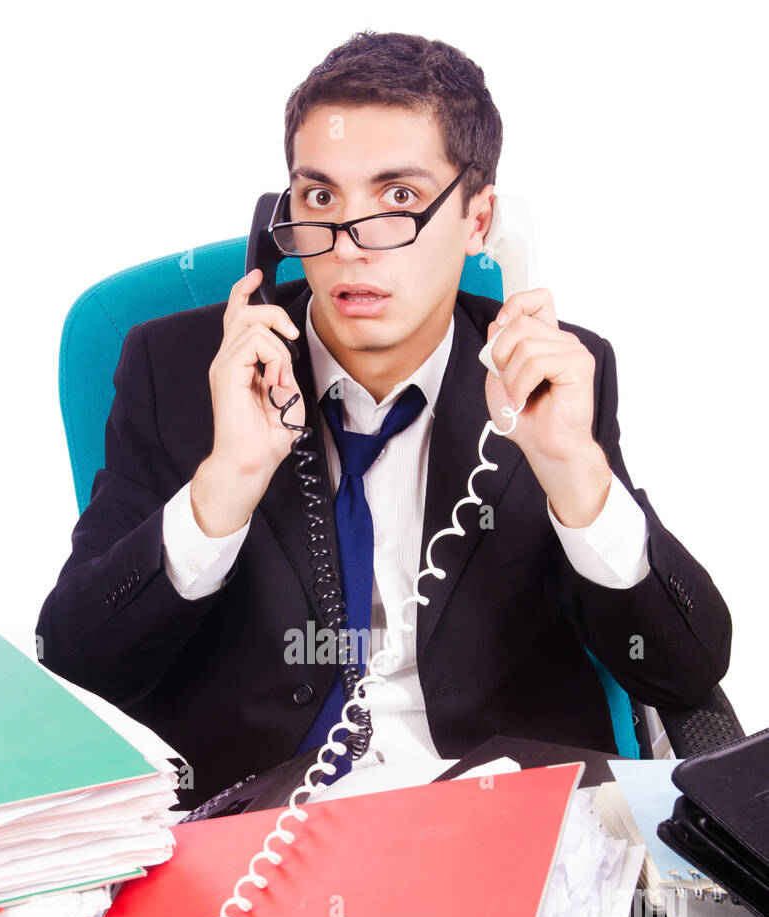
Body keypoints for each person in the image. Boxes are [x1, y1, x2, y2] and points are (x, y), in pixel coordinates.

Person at [36, 31, 732, 807]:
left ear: (477, 220)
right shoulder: (177, 370)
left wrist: (577, 476)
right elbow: (77, 668)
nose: (348, 248)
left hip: (507, 814)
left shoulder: (551, 377)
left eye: (398, 198)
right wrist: (221, 485)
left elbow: (683, 669)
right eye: (320, 198)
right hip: (255, 831)